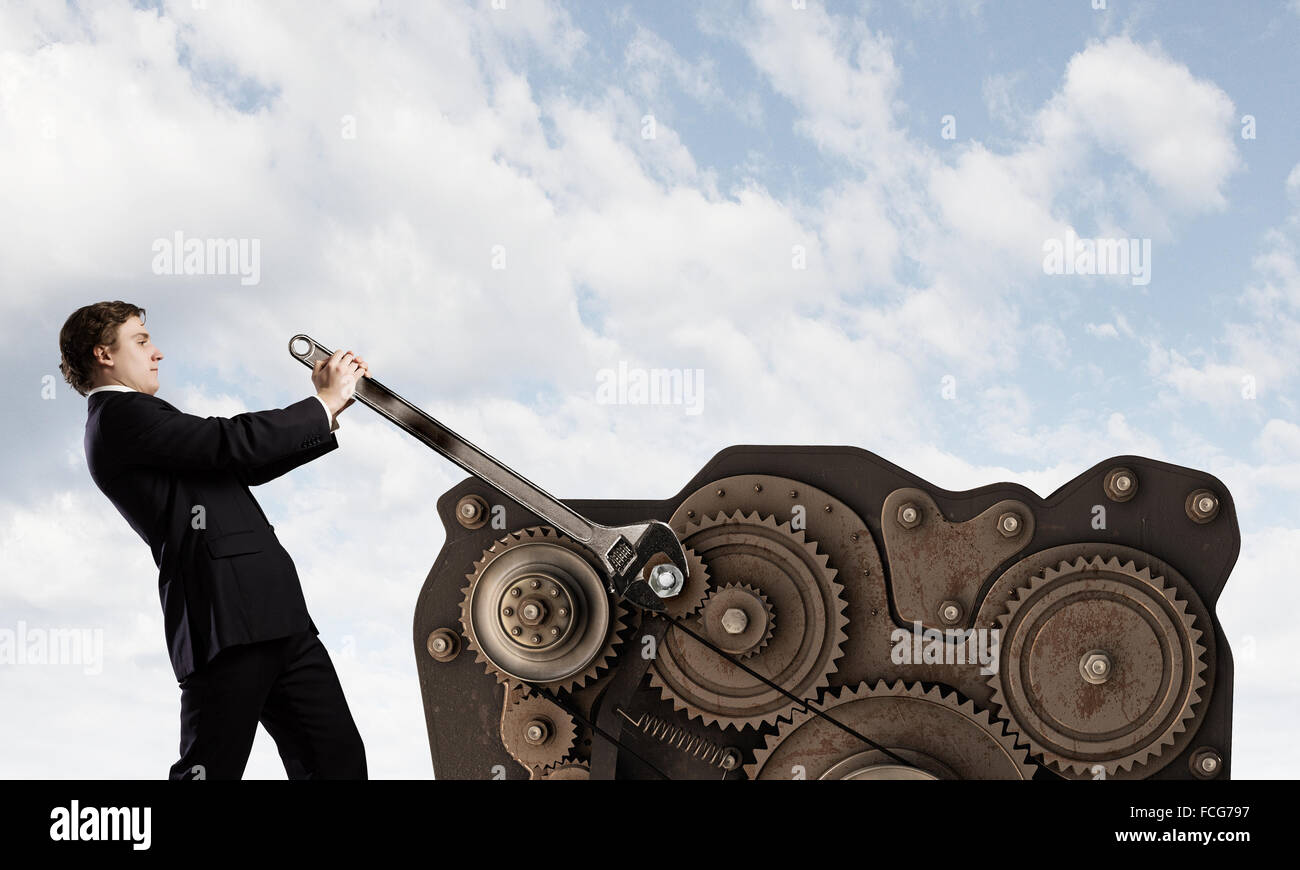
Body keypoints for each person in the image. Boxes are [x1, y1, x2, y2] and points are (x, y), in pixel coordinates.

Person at [59, 300, 369, 779]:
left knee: (337, 762)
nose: (156, 351)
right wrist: (320, 404)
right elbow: (226, 441)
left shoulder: (138, 418)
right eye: (141, 341)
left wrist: (328, 411)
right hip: (226, 621)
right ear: (104, 354)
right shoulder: (117, 416)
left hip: (275, 615)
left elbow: (240, 462)